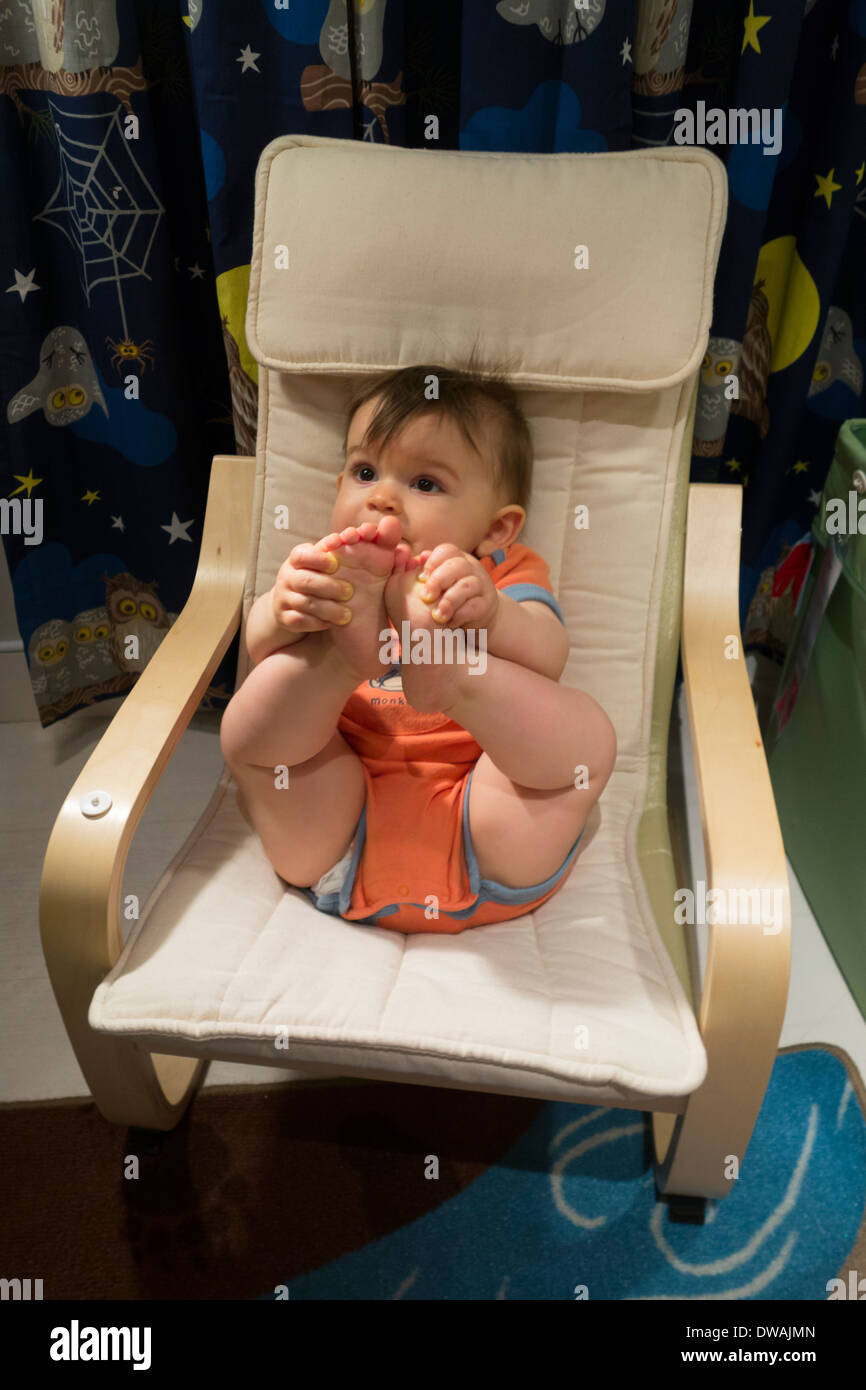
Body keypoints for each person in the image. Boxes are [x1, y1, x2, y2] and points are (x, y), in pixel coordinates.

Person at [219, 363, 616, 932]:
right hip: (338, 820)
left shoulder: (491, 578)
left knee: (587, 742)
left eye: (425, 483)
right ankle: (342, 658)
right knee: (252, 729)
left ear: (498, 529)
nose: (382, 498)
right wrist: (280, 608)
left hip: (485, 818)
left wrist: (496, 619)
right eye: (363, 471)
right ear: (338, 487)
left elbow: (548, 654)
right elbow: (259, 648)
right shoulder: (325, 569)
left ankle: (450, 677)